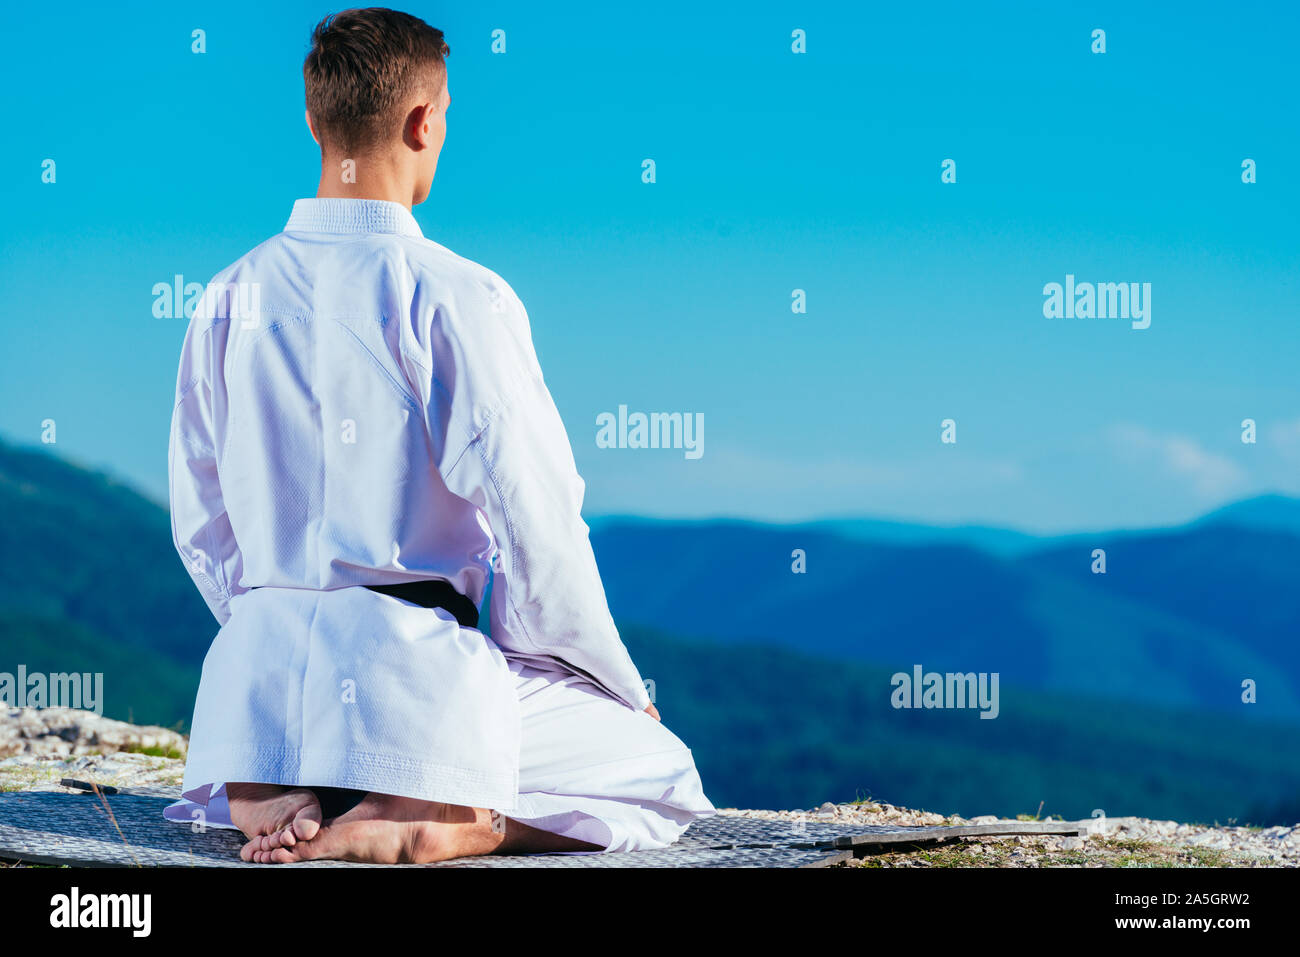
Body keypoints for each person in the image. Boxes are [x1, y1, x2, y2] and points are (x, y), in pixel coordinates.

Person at [163, 7, 714, 864]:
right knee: (659, 769)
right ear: (425, 121)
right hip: (411, 677)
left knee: (306, 702)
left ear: (314, 119)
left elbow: (202, 524)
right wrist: (610, 678)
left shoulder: (227, 297)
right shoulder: (456, 295)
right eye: (446, 113)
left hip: (255, 686)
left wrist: (273, 634)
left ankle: (281, 778)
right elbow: (537, 519)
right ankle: (445, 816)